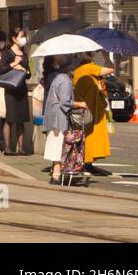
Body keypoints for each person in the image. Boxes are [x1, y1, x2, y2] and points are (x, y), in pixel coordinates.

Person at [41, 55, 87, 185]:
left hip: (52, 116)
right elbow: (65, 102)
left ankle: (54, 172)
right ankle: (56, 175)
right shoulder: (65, 80)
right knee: (58, 145)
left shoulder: (56, 78)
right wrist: (80, 104)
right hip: (59, 118)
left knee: (55, 144)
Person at [73, 53, 113, 174]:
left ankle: (84, 162)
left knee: (84, 134)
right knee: (91, 135)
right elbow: (110, 69)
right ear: (89, 57)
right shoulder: (89, 68)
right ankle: (87, 163)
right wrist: (106, 56)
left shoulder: (77, 71)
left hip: (85, 107)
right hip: (92, 108)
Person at [0, 26, 31, 155]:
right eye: (21, 36)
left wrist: (25, 70)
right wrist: (14, 64)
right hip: (11, 89)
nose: (23, 39)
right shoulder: (7, 53)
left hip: (22, 89)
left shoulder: (25, 54)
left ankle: (20, 148)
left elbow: (29, 74)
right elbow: (0, 70)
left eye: (24, 36)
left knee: (21, 119)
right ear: (14, 39)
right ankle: (7, 147)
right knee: (10, 118)